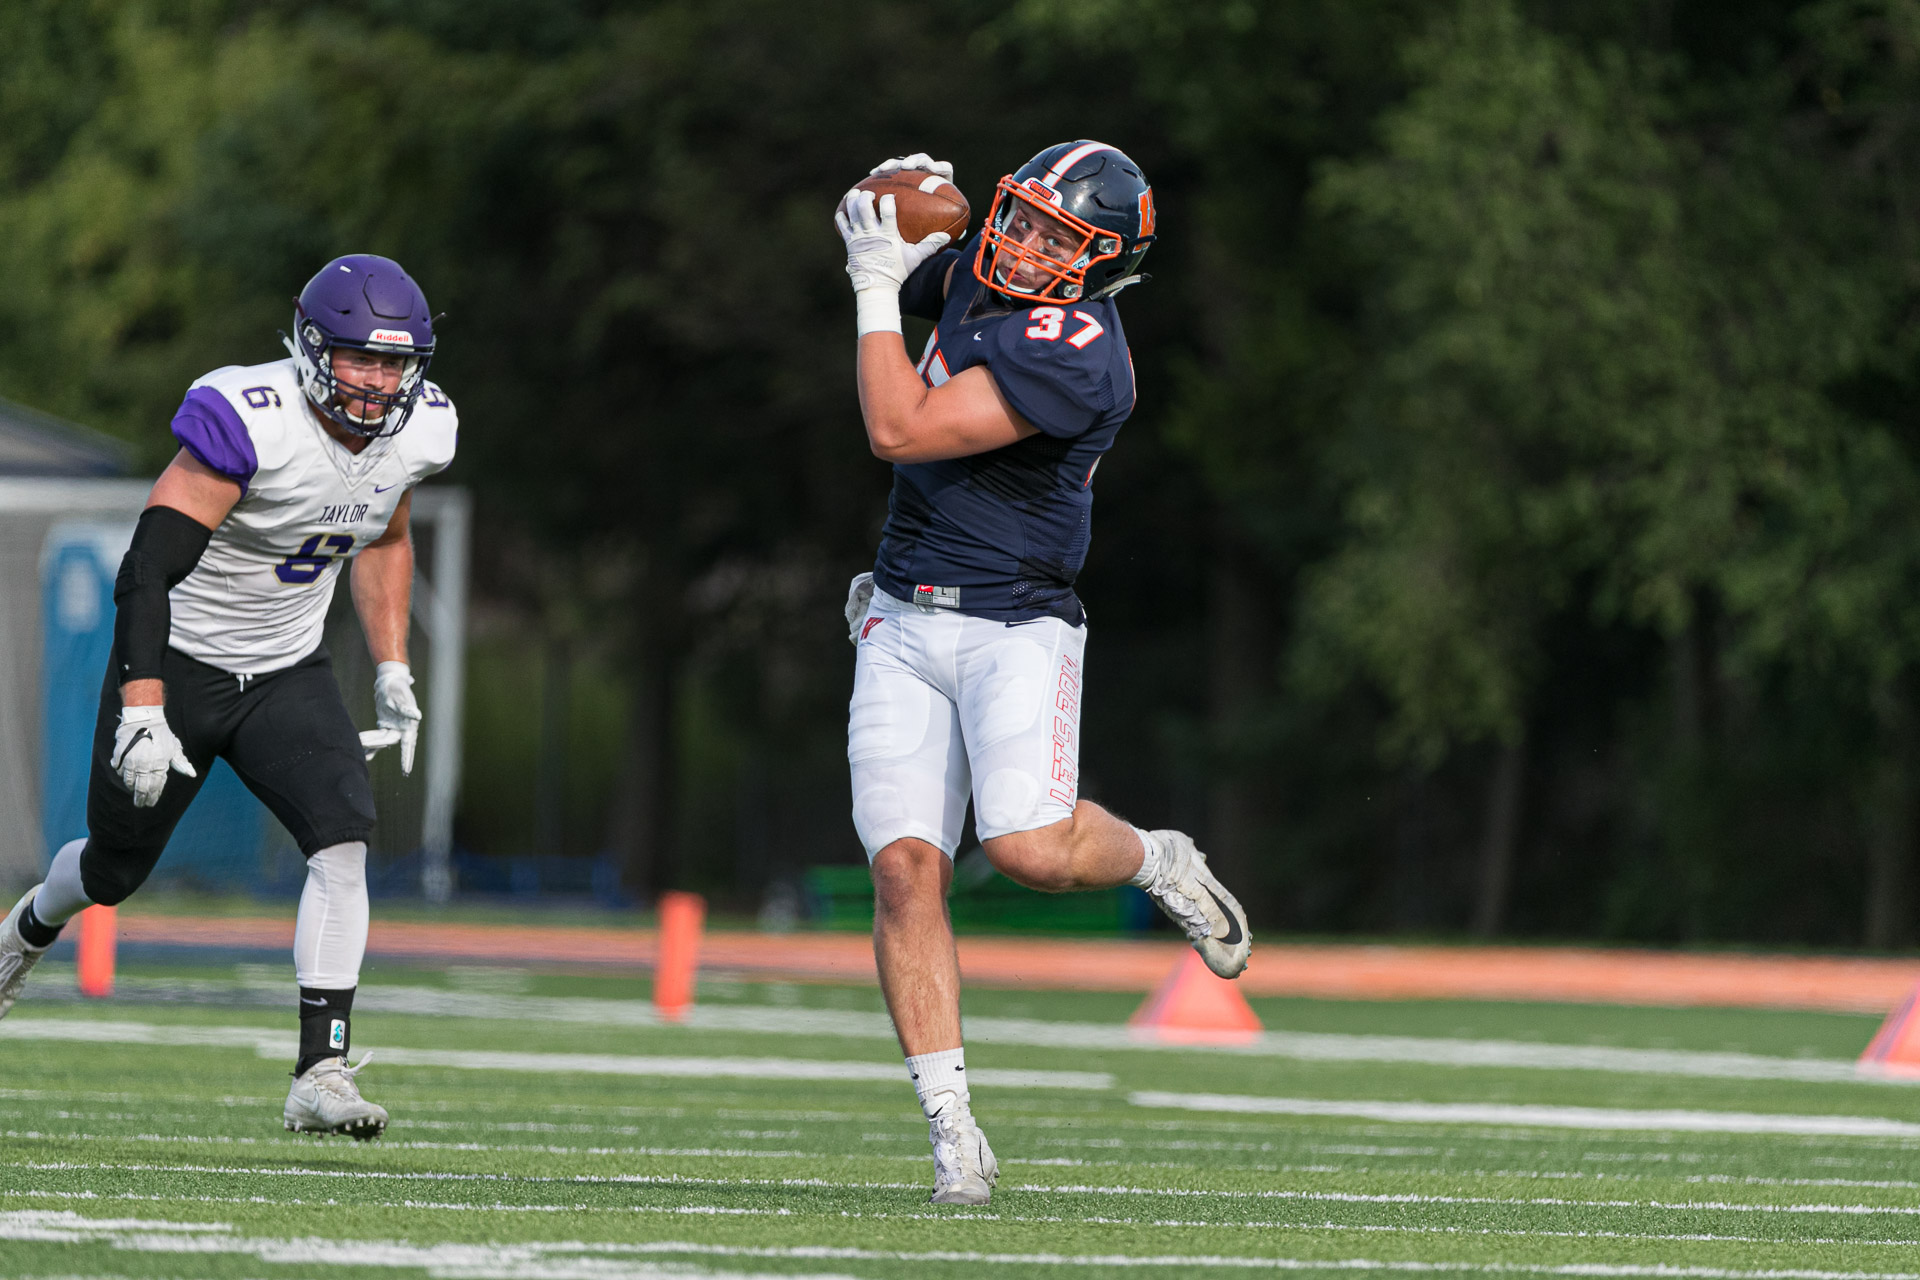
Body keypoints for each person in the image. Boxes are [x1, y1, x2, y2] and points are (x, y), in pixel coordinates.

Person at [834, 142, 1253, 1206]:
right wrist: (881, 202)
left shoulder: (1081, 352)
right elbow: (889, 238)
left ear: (1104, 262)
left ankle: (1157, 857)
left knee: (1027, 847)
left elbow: (897, 426)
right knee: (904, 873)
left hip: (1014, 624)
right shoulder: (985, 273)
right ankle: (952, 1130)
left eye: (1053, 235)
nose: (1019, 243)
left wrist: (875, 286)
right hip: (900, 616)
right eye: (1018, 216)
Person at [0, 253, 457, 1140]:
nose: (375, 382)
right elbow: (147, 567)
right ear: (312, 348)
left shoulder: (423, 430)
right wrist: (142, 707)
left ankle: (320, 1071)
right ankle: (25, 930)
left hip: (287, 670)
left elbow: (386, 535)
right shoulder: (251, 419)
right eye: (359, 358)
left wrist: (392, 666)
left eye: (392, 363)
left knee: (343, 837)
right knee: (112, 872)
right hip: (180, 664)